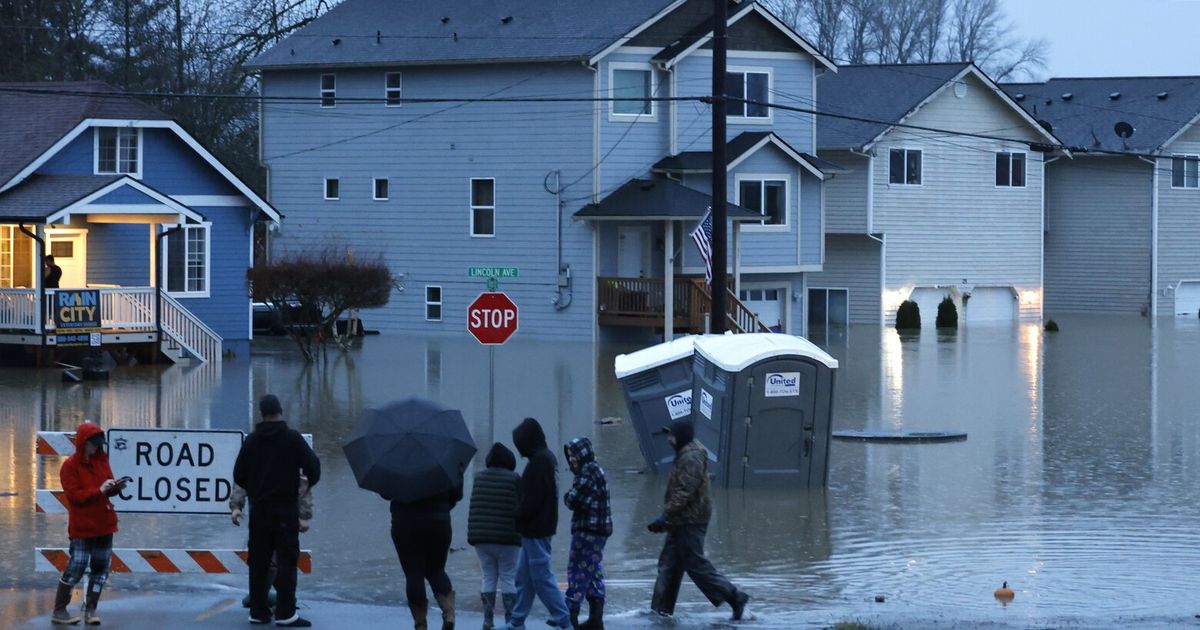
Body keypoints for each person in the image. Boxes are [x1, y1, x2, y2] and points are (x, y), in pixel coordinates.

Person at [232, 395, 321, 627]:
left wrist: (254, 490)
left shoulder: (252, 441)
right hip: (285, 510)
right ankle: (285, 614)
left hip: (259, 511)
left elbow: (239, 474)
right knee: (287, 562)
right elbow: (313, 468)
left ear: (261, 414)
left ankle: (258, 612)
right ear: (281, 411)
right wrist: (305, 486)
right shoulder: (293, 439)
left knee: (258, 563)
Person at [648, 421, 749, 621]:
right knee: (668, 566)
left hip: (691, 520)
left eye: (671, 435)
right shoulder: (685, 453)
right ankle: (660, 612)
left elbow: (684, 491)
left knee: (696, 565)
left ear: (680, 437)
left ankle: (735, 596)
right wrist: (667, 520)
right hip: (680, 519)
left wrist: (664, 516)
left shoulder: (691, 457)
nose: (669, 440)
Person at [493, 418, 572, 630]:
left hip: (536, 528)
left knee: (542, 578)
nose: (519, 451)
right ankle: (517, 622)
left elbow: (535, 498)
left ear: (527, 442)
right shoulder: (545, 458)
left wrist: (517, 514)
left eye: (520, 445)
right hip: (536, 528)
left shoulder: (540, 461)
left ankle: (564, 622)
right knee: (525, 578)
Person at [50, 421, 127, 625]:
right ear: (83, 443)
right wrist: (99, 490)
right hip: (83, 526)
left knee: (100, 569)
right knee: (76, 566)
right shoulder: (69, 467)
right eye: (94, 444)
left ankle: (91, 609)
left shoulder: (102, 461)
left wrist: (114, 488)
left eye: (99, 444)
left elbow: (106, 489)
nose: (96, 448)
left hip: (104, 523)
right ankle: (59, 609)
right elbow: (74, 496)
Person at [388, 467, 463, 630]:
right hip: (439, 521)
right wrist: (442, 506)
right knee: (437, 570)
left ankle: (420, 624)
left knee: (413, 573)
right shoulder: (443, 457)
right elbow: (457, 492)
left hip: (405, 521)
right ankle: (449, 613)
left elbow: (385, 492)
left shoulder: (397, 458)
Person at [230, 473, 314, 608]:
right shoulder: (254, 460)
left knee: (278, 560)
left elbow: (303, 482)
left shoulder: (289, 460)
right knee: (263, 559)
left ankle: (271, 600)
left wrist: (304, 515)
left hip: (281, 516)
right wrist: (236, 506)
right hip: (263, 516)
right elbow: (242, 477)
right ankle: (268, 599)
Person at [467, 443, 521, 630]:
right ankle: (510, 620)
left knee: (488, 575)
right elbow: (520, 506)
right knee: (508, 576)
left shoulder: (479, 478)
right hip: (508, 539)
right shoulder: (514, 479)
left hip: (481, 538)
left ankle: (488, 620)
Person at [563, 437, 612, 630]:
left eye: (573, 456)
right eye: (569, 456)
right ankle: (595, 619)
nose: (571, 460)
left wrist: (567, 496)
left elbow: (573, 500)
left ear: (582, 455)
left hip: (587, 532)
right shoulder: (595, 469)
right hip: (598, 532)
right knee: (592, 571)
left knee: (577, 571)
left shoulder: (588, 472)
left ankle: (570, 618)